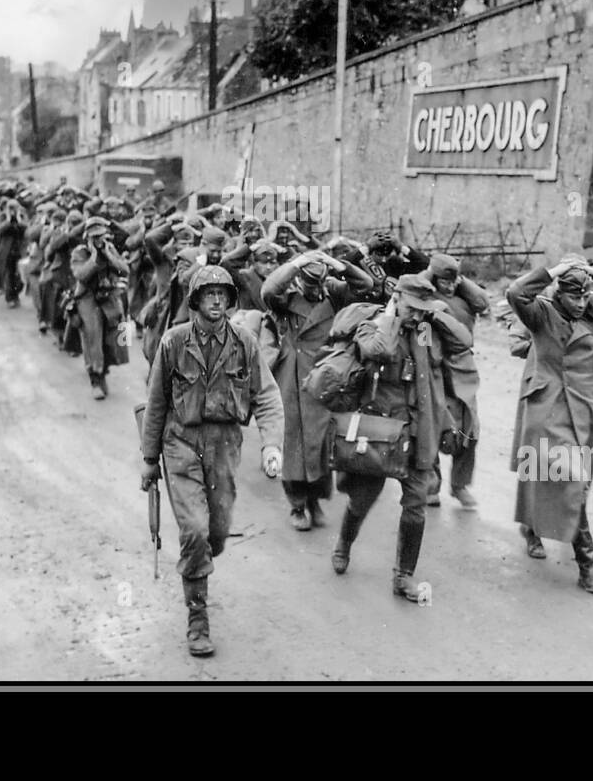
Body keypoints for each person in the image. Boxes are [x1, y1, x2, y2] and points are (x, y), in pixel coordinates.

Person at [140, 265, 284, 657]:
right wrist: (149, 459)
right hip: (181, 442)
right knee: (196, 531)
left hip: (224, 445)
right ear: (196, 301)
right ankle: (198, 620)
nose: (217, 302)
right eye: (209, 295)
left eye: (223, 295)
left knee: (217, 532)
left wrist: (271, 445)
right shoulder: (173, 342)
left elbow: (267, 396)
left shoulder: (245, 342)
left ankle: (199, 556)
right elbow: (156, 404)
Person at [330, 274, 471, 601]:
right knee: (361, 500)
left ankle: (403, 575)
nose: (417, 314)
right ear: (396, 297)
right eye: (412, 306)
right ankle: (344, 543)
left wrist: (433, 314)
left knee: (416, 506)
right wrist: (392, 317)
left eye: (423, 308)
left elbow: (460, 344)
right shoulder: (371, 325)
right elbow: (379, 350)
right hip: (382, 433)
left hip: (418, 431)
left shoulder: (424, 329)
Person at [506, 255, 593, 594]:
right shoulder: (540, 313)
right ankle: (588, 564)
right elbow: (516, 293)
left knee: (575, 479)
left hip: (589, 405)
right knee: (565, 478)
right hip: (552, 405)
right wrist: (554, 271)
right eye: (573, 296)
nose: (580, 303)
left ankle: (535, 525)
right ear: (557, 293)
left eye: (584, 295)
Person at [262, 248, 375, 531]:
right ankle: (297, 504)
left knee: (322, 442)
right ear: (299, 280)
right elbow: (268, 290)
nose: (315, 290)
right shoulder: (285, 301)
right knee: (294, 441)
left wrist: (339, 265)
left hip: (325, 375)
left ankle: (316, 500)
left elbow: (366, 286)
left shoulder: (334, 295)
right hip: (292, 375)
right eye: (309, 283)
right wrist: (295, 263)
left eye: (319, 283)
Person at [421, 253, 487, 508]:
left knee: (470, 428)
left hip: (463, 368)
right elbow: (412, 288)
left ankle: (459, 485)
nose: (449, 286)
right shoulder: (426, 297)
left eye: (453, 281)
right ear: (435, 279)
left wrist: (460, 278)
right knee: (433, 426)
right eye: (444, 281)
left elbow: (482, 302)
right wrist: (430, 271)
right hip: (434, 366)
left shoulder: (465, 299)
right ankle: (431, 485)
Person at [69, 216, 130, 399]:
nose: (98, 241)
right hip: (88, 297)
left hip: (108, 296)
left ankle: (105, 368)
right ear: (87, 238)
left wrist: (109, 255)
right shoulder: (80, 253)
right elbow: (81, 275)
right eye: (94, 237)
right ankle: (95, 378)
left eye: (101, 236)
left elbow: (124, 270)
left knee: (119, 333)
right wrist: (95, 257)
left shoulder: (110, 249)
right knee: (92, 335)